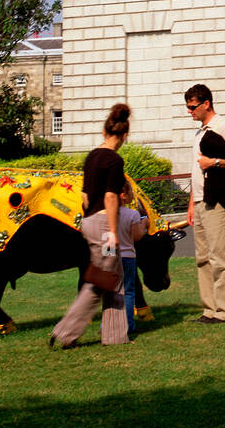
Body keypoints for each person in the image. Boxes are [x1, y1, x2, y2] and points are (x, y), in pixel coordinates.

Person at [50, 103, 132, 349]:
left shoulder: (92, 157)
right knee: (103, 278)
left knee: (113, 277)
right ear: (124, 135)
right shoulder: (114, 161)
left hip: (89, 222)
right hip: (105, 227)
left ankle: (116, 335)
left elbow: (85, 196)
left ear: (105, 132)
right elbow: (110, 197)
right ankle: (65, 331)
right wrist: (114, 232)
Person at [185, 84, 225, 322]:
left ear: (206, 104)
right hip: (201, 201)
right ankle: (209, 309)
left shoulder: (223, 126)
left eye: (192, 107)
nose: (189, 112)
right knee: (203, 257)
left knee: (220, 255)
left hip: (219, 200)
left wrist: (215, 163)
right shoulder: (200, 132)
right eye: (188, 107)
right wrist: (191, 203)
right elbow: (195, 171)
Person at [117, 179, 150, 337]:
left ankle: (108, 324)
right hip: (127, 256)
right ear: (123, 195)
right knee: (128, 292)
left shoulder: (104, 213)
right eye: (130, 192)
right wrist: (144, 225)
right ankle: (128, 325)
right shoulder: (132, 214)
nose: (132, 195)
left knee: (112, 292)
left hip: (109, 255)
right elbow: (136, 237)